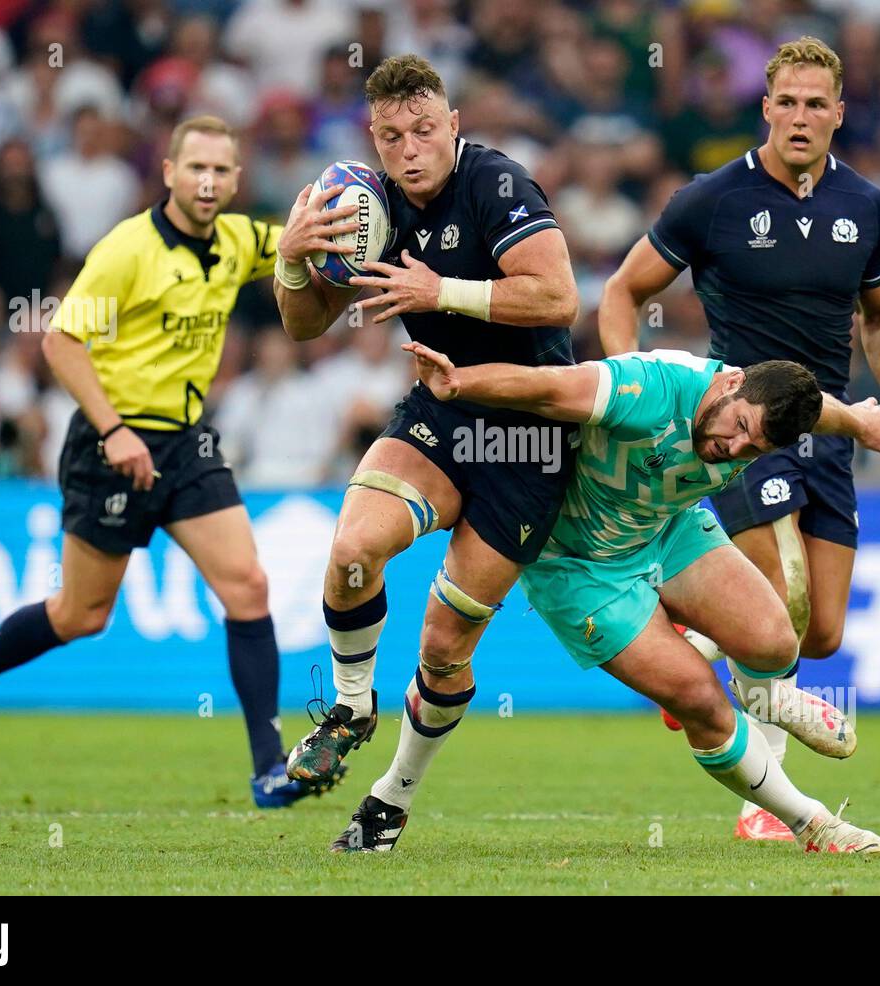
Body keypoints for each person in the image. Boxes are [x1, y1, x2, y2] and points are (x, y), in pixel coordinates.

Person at [0, 115, 329, 809]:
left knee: (249, 587)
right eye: (196, 167)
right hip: (113, 445)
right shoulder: (128, 250)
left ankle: (269, 769)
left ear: (235, 179)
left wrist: (352, 218)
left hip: (188, 445)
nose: (208, 181)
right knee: (81, 615)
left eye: (222, 171)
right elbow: (61, 344)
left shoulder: (237, 241)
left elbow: (290, 242)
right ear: (167, 172)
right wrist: (114, 431)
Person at [598, 36, 880, 841]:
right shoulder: (712, 200)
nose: (801, 117)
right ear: (766, 108)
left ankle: (687, 636)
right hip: (741, 429)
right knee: (779, 597)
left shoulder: (867, 207)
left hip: (833, 428)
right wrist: (627, 392)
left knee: (819, 630)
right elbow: (621, 291)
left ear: (840, 114)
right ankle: (764, 806)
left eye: (818, 104)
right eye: (788, 102)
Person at [400, 340, 880, 854]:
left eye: (755, 450)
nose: (736, 448)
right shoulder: (649, 389)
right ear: (731, 383)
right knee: (699, 701)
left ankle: (762, 694)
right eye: (741, 429)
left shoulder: (757, 410)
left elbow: (813, 411)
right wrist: (460, 380)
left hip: (665, 530)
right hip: (582, 565)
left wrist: (860, 423)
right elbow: (551, 387)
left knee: (776, 642)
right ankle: (813, 823)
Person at [272, 54, 581, 852]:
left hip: (529, 431)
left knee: (444, 649)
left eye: (421, 130)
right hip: (442, 410)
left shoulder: (498, 184)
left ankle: (390, 801)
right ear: (374, 142)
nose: (408, 149)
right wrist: (292, 260)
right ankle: (348, 705)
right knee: (351, 551)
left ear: (452, 126)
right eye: (390, 136)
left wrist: (438, 290)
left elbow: (556, 295)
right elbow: (304, 325)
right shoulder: (364, 204)